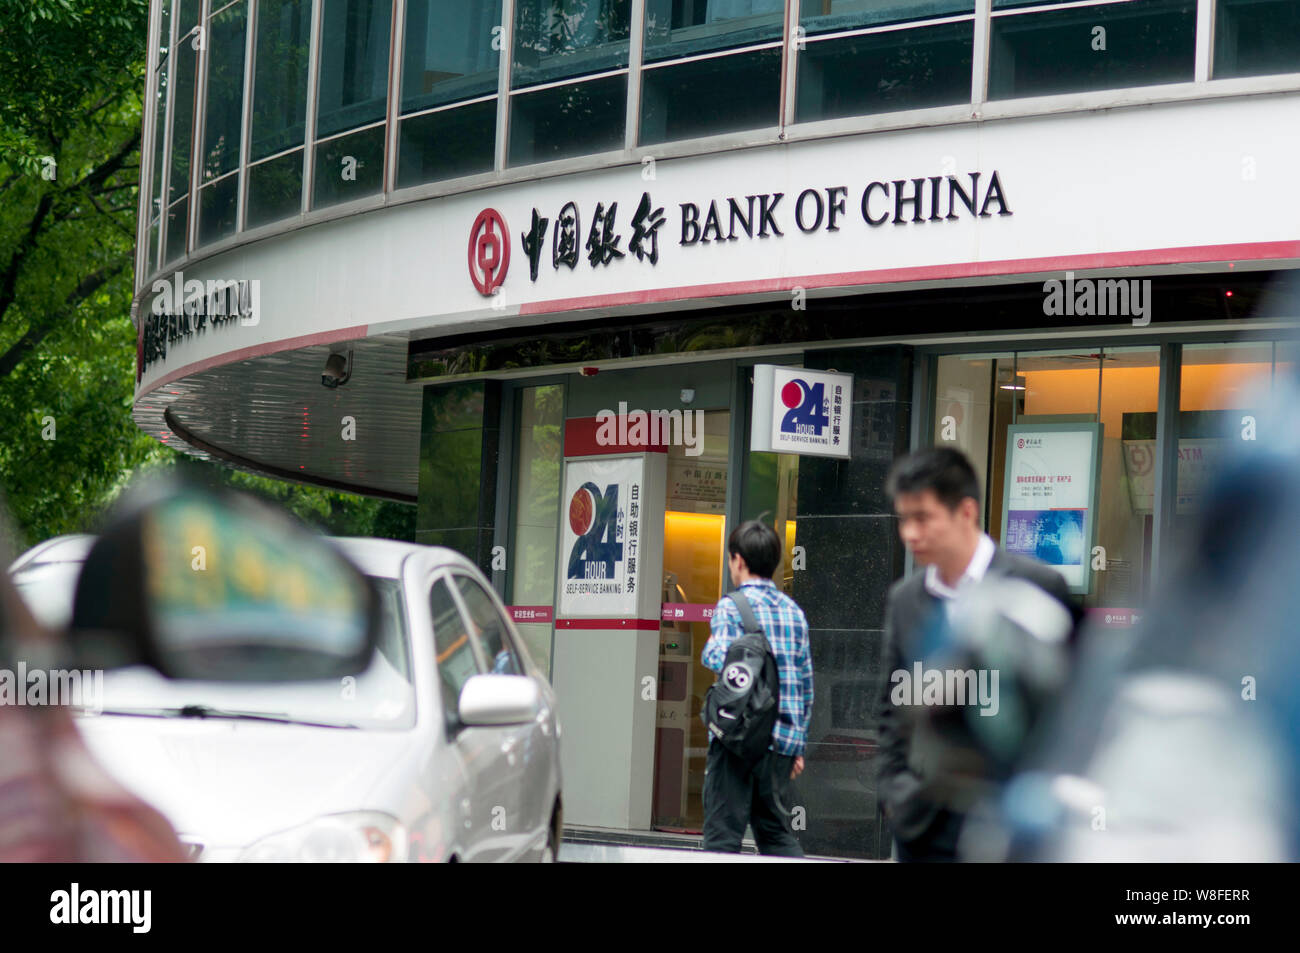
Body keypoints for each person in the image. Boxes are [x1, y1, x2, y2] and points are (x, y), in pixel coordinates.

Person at [875, 447, 1071, 862]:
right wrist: (896, 795)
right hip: (923, 825)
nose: (910, 533)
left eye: (923, 517)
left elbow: (1064, 709)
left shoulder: (1036, 586)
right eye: (903, 519)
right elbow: (893, 708)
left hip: (1007, 824)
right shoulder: (906, 599)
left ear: (966, 512)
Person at [701, 520, 813, 856]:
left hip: (737, 739)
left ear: (737, 561)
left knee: (722, 836)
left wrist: (711, 648)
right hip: (780, 743)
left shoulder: (732, 607)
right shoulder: (794, 613)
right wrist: (796, 744)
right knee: (775, 834)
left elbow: (721, 657)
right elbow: (805, 685)